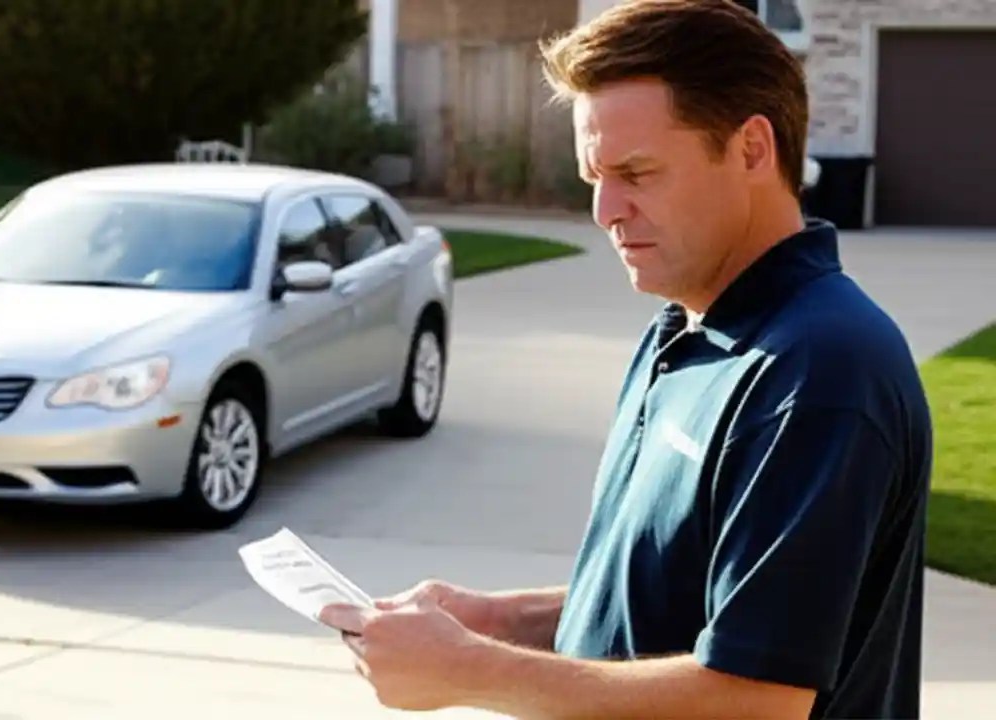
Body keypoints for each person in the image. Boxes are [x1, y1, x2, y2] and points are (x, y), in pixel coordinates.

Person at [318, 1, 933, 718]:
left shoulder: (822, 371)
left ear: (752, 150)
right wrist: (499, 622)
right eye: (593, 177)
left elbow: (755, 700)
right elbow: (669, 603)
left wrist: (471, 671)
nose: (605, 209)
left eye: (636, 173)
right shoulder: (682, 328)